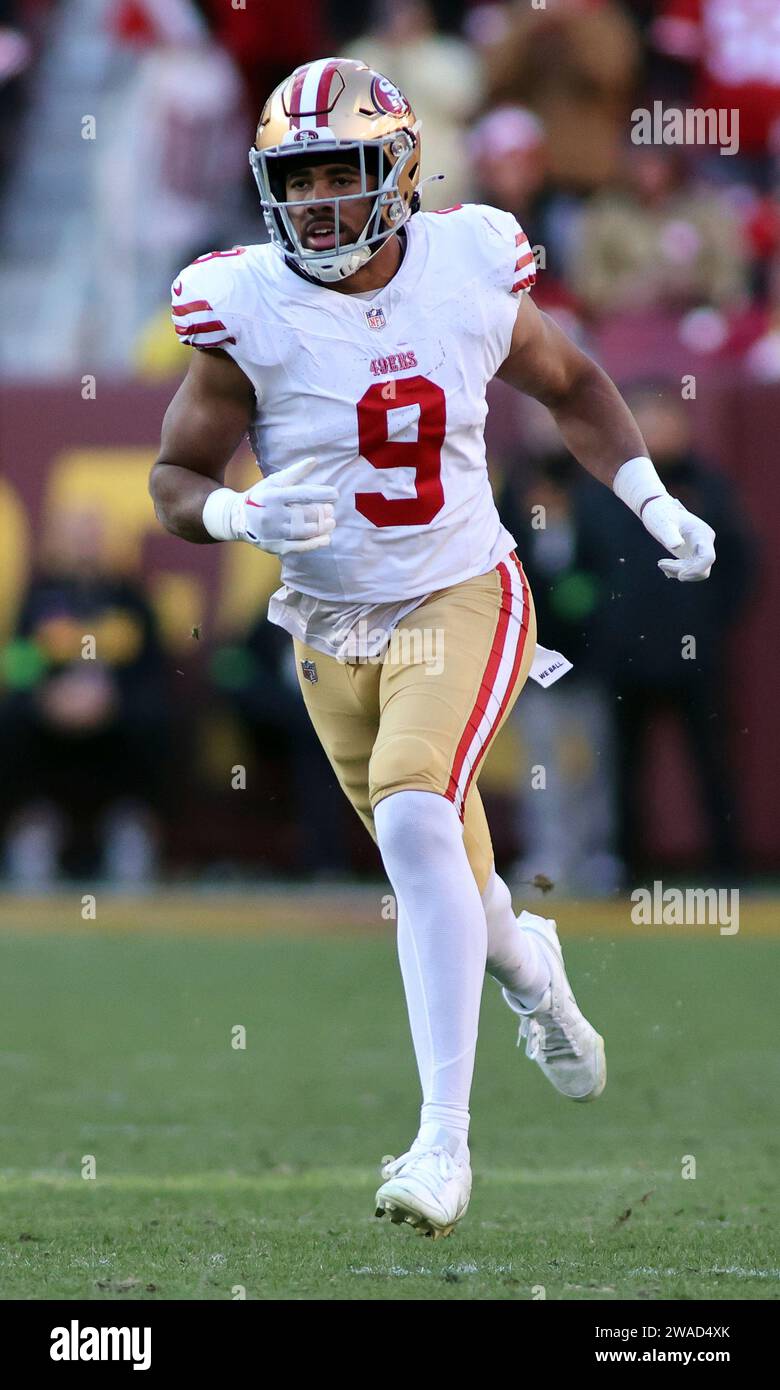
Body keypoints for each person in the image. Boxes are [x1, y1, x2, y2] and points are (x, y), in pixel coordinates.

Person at [149, 57, 717, 1238]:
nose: (314, 205)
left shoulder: (466, 263)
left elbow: (571, 380)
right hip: (327, 624)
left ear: (399, 170)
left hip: (461, 588)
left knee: (416, 819)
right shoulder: (240, 300)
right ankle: (533, 968)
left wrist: (654, 501)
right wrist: (231, 515)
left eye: (337, 176)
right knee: (447, 876)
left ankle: (442, 1143)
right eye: (292, 181)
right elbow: (173, 477)